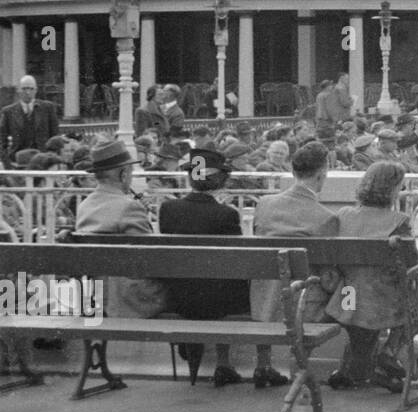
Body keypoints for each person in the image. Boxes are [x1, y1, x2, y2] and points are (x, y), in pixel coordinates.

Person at [158, 148, 272, 387]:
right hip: (217, 300)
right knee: (234, 285)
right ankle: (225, 362)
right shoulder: (226, 214)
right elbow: (236, 262)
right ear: (220, 181)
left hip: (178, 297)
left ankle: (214, 360)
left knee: (213, 283)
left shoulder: (168, 209)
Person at [248, 142, 339, 389]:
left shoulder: (264, 205)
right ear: (322, 174)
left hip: (264, 303)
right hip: (302, 309)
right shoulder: (326, 218)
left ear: (293, 171)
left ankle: (263, 363)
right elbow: (329, 277)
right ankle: (301, 369)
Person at [324, 161, 415, 393]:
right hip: (382, 300)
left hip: (347, 297)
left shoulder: (344, 215)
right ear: (393, 189)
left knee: (360, 316)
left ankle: (350, 370)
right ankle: (389, 353)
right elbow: (411, 263)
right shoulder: (399, 221)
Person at [75, 141, 162, 319]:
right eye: (130, 172)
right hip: (127, 297)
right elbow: (148, 258)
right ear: (123, 174)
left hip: (95, 292)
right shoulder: (130, 208)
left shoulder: (84, 205)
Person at [1, 75, 60, 168]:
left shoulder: (48, 108)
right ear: (18, 90)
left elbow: (55, 136)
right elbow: (2, 140)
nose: (28, 92)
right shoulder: (8, 111)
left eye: (31, 89)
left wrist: (51, 159)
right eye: (24, 89)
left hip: (43, 161)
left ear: (36, 90)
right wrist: (7, 164)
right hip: (17, 162)